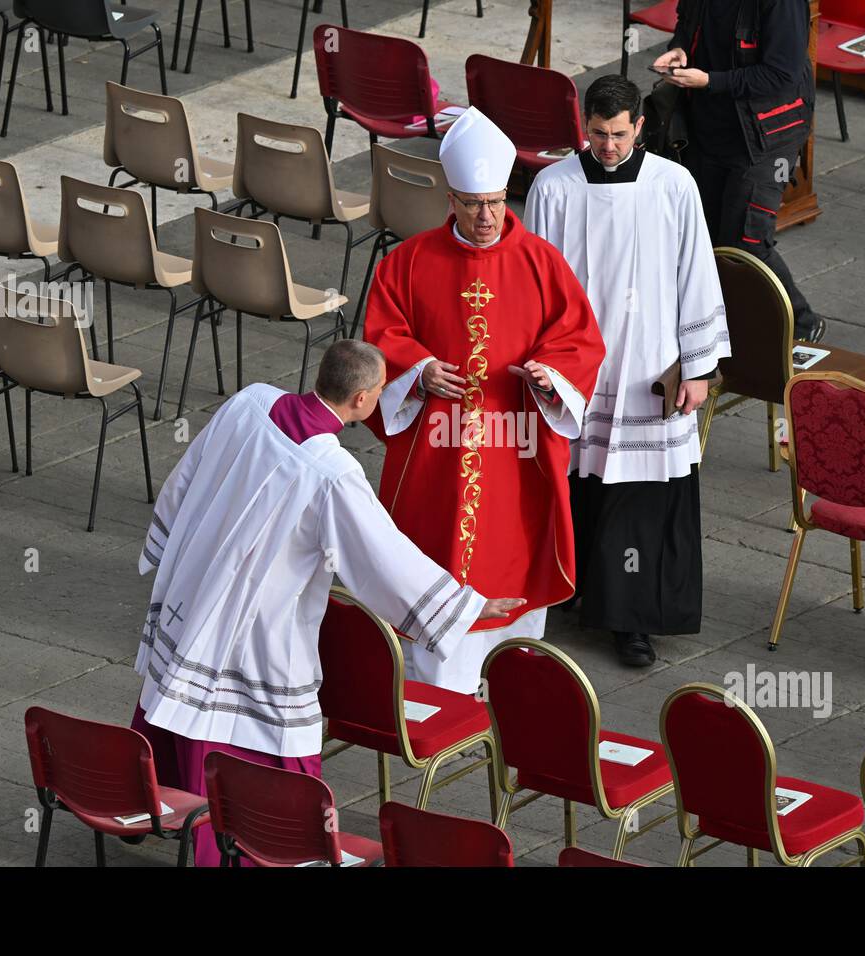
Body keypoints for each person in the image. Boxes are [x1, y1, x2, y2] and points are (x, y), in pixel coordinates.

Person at [129, 339, 523, 866]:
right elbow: (383, 557)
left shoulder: (249, 401)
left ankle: (159, 808)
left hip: (195, 590)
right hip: (254, 625)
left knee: (181, 706)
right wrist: (467, 606)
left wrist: (166, 545)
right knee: (253, 734)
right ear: (362, 399)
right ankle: (258, 847)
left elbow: (188, 474)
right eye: (381, 391)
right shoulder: (331, 473)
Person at [363, 107, 605, 694]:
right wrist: (418, 372)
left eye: (496, 202)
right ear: (451, 198)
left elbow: (579, 338)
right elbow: (378, 338)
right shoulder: (409, 261)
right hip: (437, 445)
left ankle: (513, 685)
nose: (486, 216)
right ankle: (434, 695)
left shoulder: (540, 262)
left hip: (514, 444)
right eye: (473, 204)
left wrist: (549, 376)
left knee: (512, 556)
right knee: (434, 555)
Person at [526, 74, 729, 667]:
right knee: (579, 483)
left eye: (618, 134)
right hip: (575, 368)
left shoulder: (674, 185)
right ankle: (575, 585)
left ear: (640, 127)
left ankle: (630, 621)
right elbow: (535, 284)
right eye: (596, 134)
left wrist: (698, 368)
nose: (607, 146)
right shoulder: (553, 187)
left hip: (647, 365)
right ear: (582, 127)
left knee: (638, 494)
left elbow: (696, 274)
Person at [654, 0, 827, 342]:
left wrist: (710, 81)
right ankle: (720, 323)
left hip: (767, 135)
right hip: (708, 126)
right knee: (704, 234)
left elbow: (781, 73)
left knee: (747, 241)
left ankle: (803, 324)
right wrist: (679, 49)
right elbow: (687, 24)